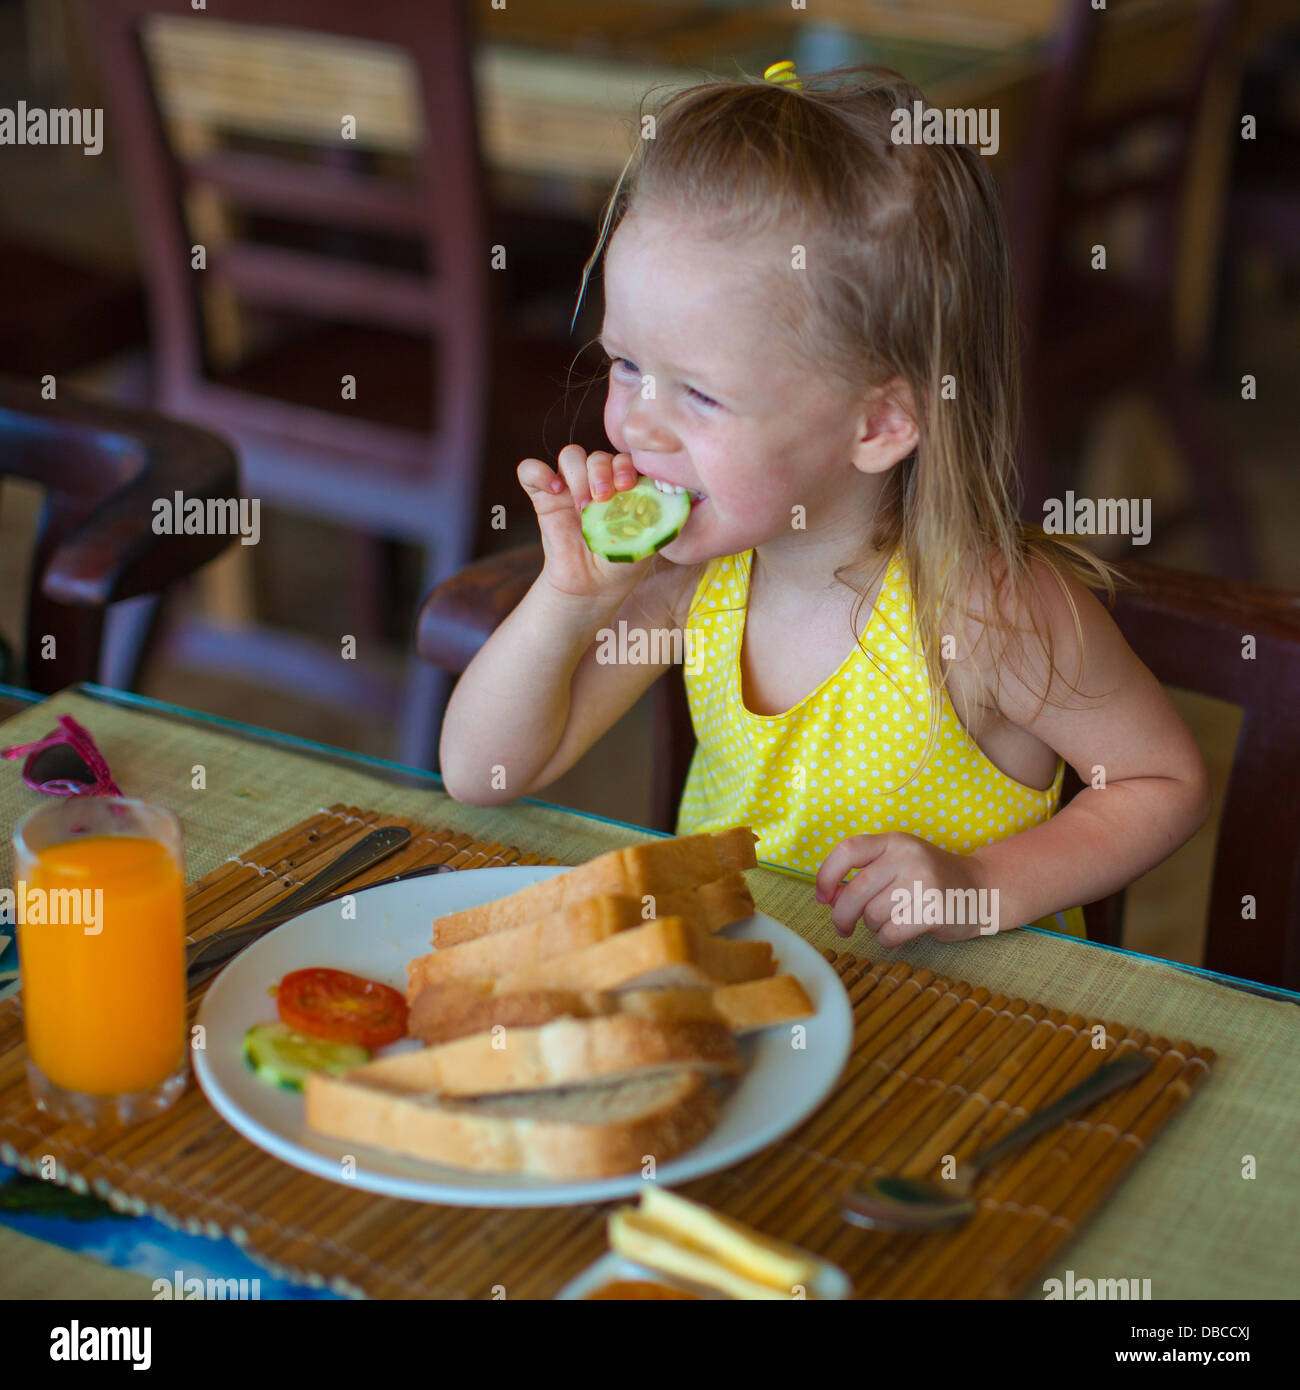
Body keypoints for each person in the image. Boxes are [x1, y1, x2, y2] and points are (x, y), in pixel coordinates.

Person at [439, 65, 1210, 946]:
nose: (637, 422)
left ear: (878, 422)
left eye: (698, 393)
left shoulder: (985, 612)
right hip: (757, 1015)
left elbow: (1162, 781)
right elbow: (481, 769)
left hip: (965, 1041)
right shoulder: (690, 580)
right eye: (624, 365)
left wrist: (977, 885)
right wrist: (570, 602)